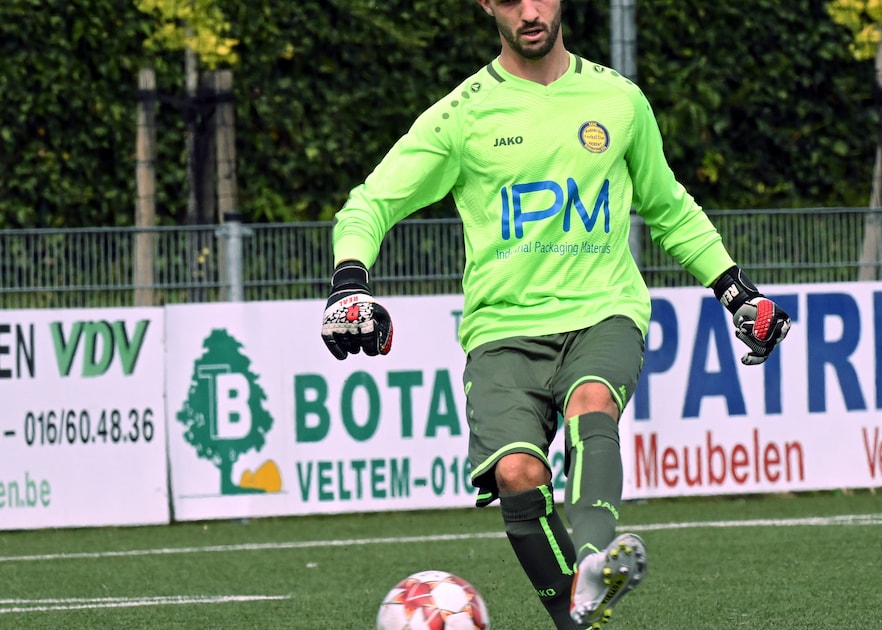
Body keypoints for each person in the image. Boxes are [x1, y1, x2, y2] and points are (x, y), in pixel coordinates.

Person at [320, 0, 791, 627]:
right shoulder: (461, 116)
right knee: (517, 472)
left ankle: (595, 560)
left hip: (604, 311)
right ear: (488, 5)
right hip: (502, 331)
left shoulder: (619, 101)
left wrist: (737, 291)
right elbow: (369, 203)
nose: (530, 11)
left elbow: (668, 206)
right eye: (511, 0)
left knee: (593, 401)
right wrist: (350, 284)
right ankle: (580, 614)